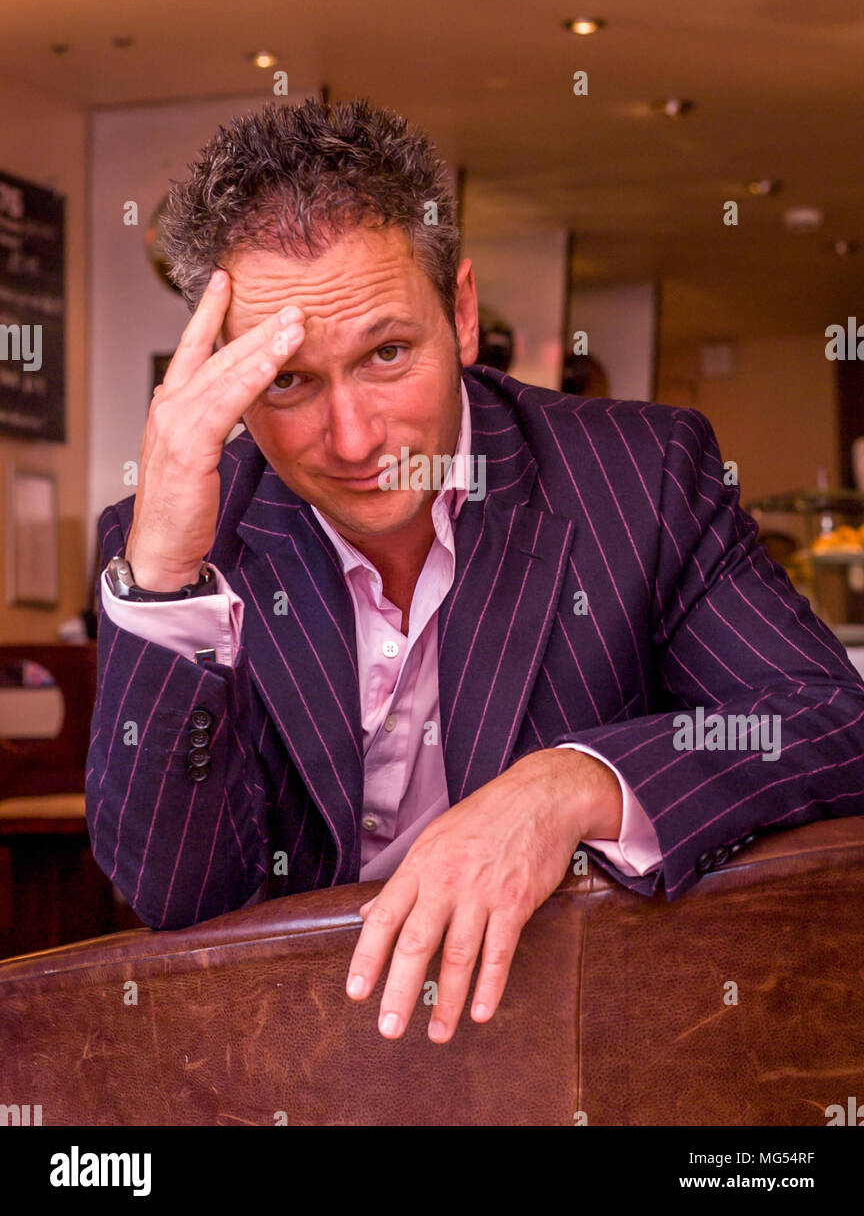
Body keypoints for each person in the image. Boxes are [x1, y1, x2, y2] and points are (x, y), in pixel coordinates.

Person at [87, 97, 864, 1047]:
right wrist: (165, 575)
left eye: (387, 353)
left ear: (459, 313)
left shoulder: (640, 474)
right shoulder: (175, 544)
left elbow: (830, 723)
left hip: (586, 1049)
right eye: (287, 381)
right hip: (302, 1068)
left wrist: (571, 784)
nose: (355, 437)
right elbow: (178, 894)